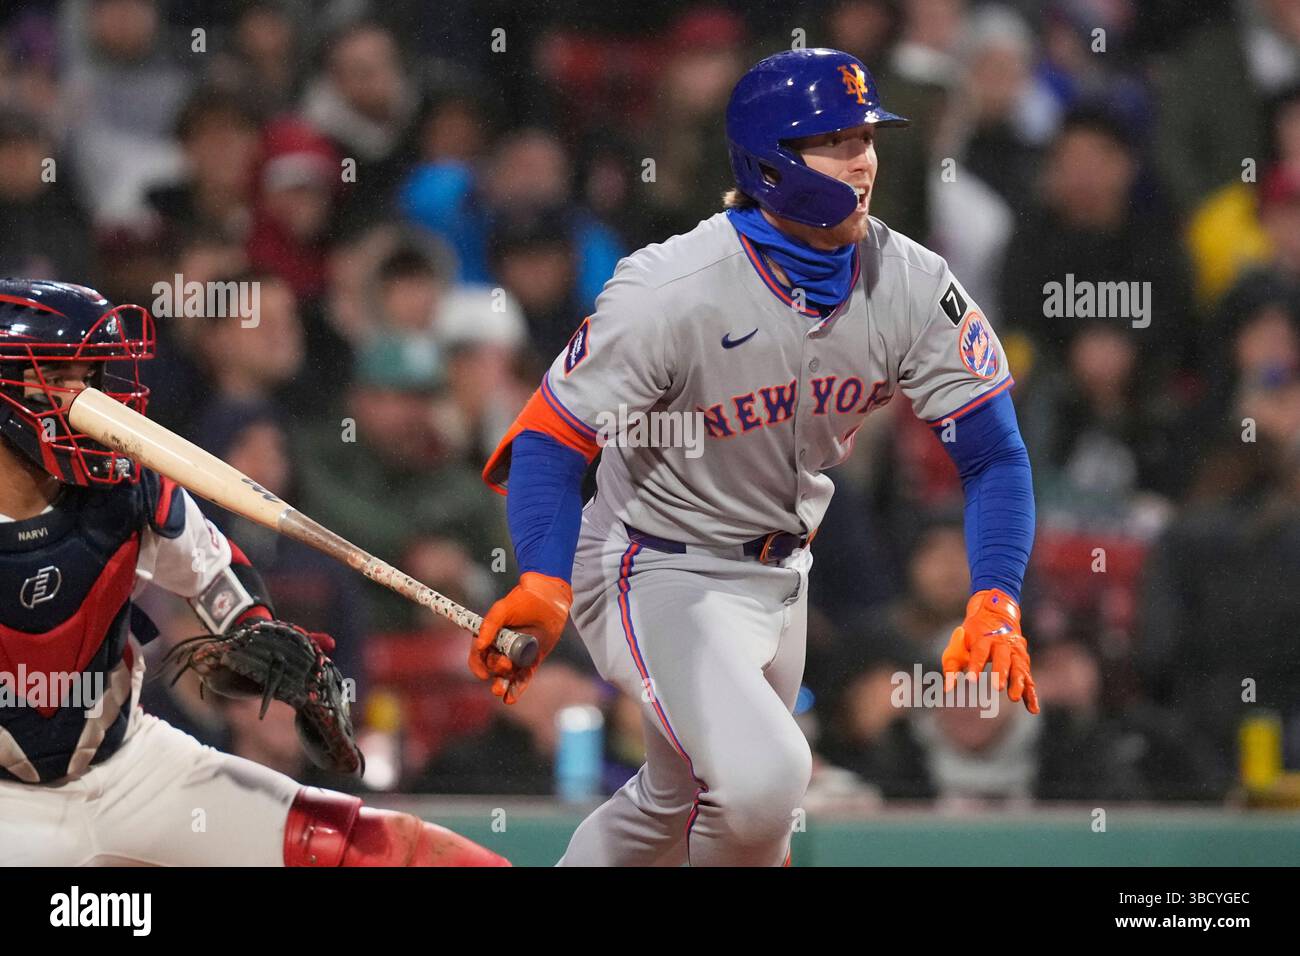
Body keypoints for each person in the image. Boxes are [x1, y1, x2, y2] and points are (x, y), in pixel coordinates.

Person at [469, 49, 1039, 867]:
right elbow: (549, 438)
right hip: (652, 563)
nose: (865, 158)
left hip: (783, 576)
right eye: (836, 140)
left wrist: (996, 596)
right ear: (771, 162)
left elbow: (994, 455)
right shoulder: (672, 290)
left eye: (867, 136)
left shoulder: (910, 282)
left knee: (675, 804)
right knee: (767, 783)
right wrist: (543, 577)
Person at [0, 280, 506, 866]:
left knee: (370, 848)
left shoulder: (128, 487)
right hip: (10, 805)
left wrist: (256, 629)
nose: (89, 398)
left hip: (130, 767)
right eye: (60, 377)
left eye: (91, 375)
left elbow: (215, 576)